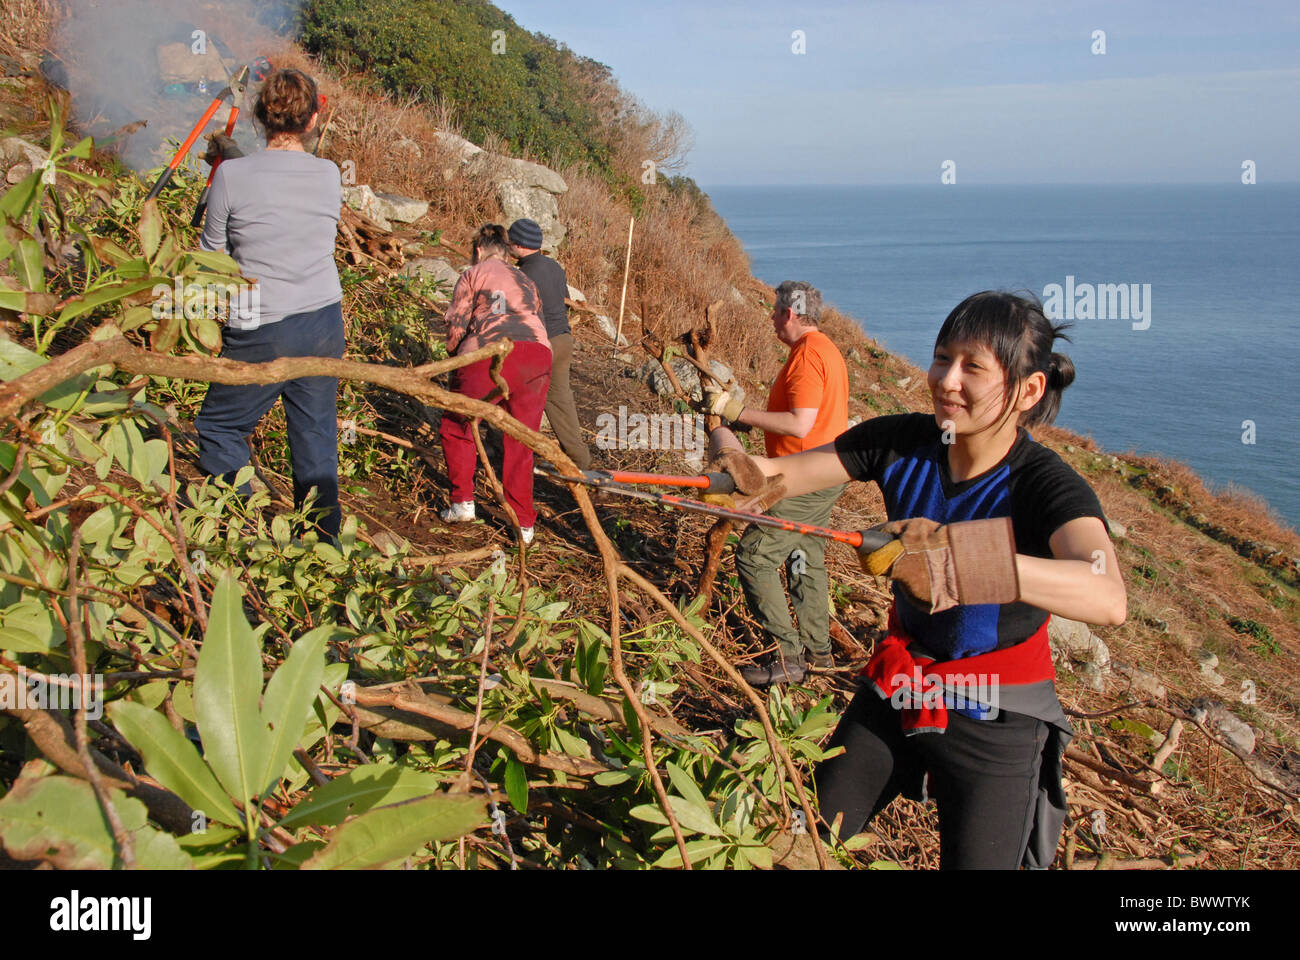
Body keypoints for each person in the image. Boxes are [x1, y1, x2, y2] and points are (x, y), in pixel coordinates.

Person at [710, 290, 1126, 869]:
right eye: (941, 358)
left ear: (1028, 390)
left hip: (997, 716)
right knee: (803, 847)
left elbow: (1106, 595)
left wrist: (961, 559)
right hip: (900, 685)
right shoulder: (902, 441)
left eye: (972, 366)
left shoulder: (1044, 485)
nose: (946, 380)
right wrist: (732, 456)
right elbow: (781, 475)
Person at [194, 68, 345, 541]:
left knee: (220, 428)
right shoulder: (329, 174)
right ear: (314, 119)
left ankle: (250, 526)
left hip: (259, 321)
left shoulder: (233, 176)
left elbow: (210, 256)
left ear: (259, 116)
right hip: (323, 320)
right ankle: (323, 546)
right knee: (316, 435)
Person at [704, 281, 849, 686]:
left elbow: (800, 423)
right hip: (827, 472)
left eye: (774, 311)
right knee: (806, 555)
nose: (770, 317)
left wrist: (739, 411)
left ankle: (787, 657)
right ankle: (818, 653)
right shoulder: (828, 350)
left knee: (754, 556)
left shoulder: (807, 356)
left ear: (789, 314)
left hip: (805, 478)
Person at [439, 224, 552, 545]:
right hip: (537, 354)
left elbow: (456, 328)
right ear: (507, 252)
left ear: (478, 250)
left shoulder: (473, 273)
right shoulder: (526, 280)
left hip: (490, 349)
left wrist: (454, 354)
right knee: (521, 438)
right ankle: (524, 525)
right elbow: (534, 319)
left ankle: (462, 502)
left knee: (458, 423)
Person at [507, 218, 592, 471]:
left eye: (510, 240)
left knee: (514, 394)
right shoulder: (554, 266)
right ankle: (580, 462)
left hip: (541, 344)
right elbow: (561, 297)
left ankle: (510, 453)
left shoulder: (522, 275)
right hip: (564, 340)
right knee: (560, 401)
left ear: (519, 245)